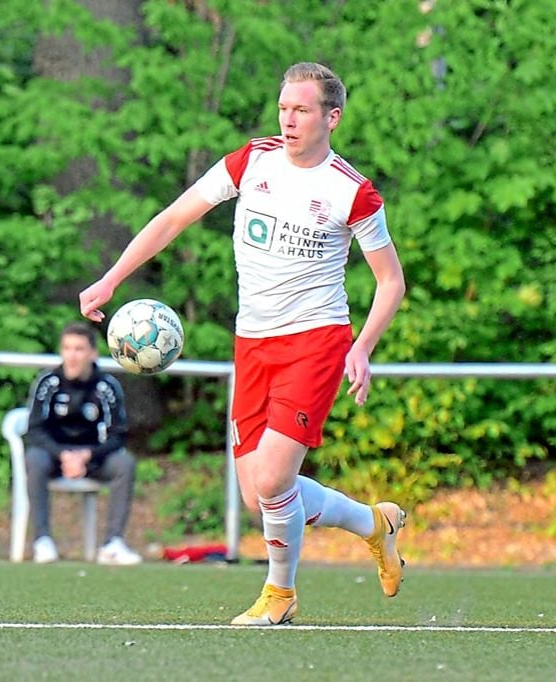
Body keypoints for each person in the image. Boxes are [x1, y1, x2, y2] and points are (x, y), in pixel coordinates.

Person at [80, 62, 407, 624]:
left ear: (332, 117)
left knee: (276, 480)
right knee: (259, 498)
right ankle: (373, 523)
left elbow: (391, 281)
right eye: (283, 108)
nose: (288, 119)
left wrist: (363, 347)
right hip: (252, 343)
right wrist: (112, 277)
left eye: (301, 109)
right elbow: (173, 217)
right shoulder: (250, 161)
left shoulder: (352, 192)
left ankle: (279, 595)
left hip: (317, 340)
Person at [24, 322, 142, 565]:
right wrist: (63, 455)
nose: (72, 356)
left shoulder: (107, 386)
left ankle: (112, 543)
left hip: (94, 458)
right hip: (55, 457)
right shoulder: (47, 383)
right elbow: (34, 430)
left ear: (92, 353)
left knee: (125, 463)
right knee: (34, 459)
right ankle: (42, 541)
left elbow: (117, 435)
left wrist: (87, 455)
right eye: (67, 348)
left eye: (79, 349)